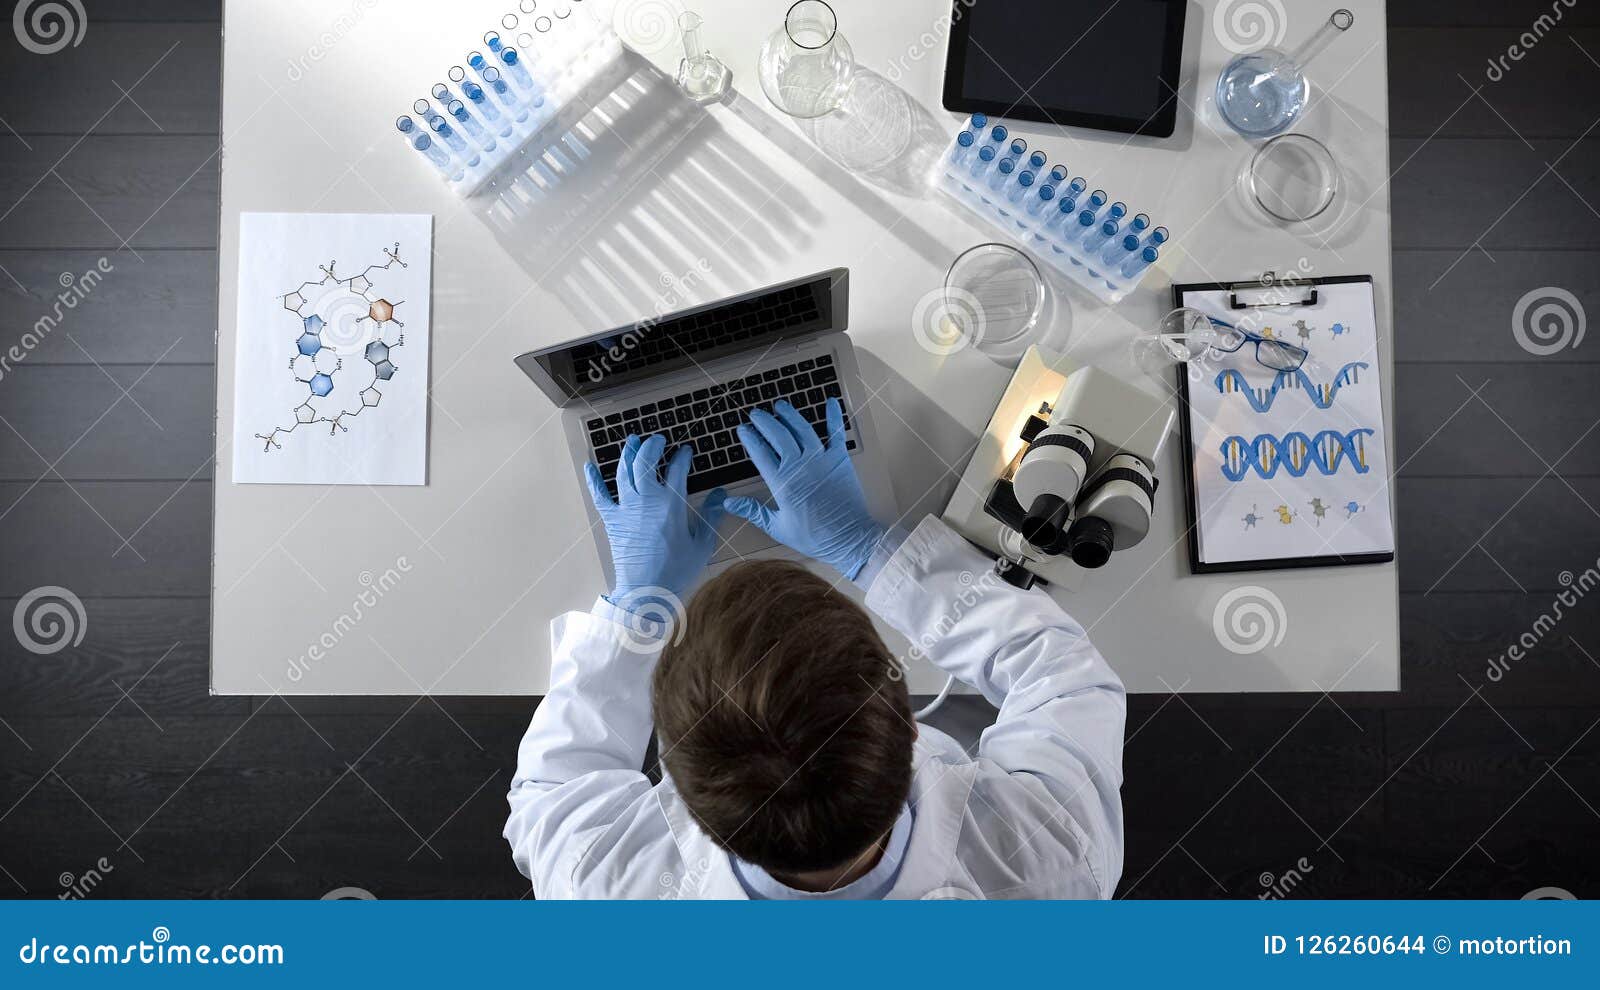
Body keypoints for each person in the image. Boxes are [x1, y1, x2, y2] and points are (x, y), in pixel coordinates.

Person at [504, 398, 1126, 898]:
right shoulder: (1055, 858)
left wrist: (639, 603)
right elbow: (1063, 673)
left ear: (686, 797)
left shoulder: (604, 888)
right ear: (909, 724)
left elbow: (548, 798)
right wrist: (866, 547)